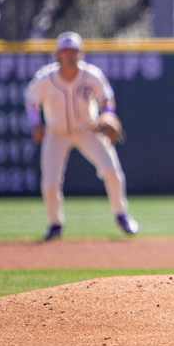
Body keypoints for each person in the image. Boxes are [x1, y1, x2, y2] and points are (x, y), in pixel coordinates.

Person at [24, 32, 139, 241]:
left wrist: (108, 115)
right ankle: (55, 224)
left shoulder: (91, 75)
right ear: (58, 55)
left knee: (112, 172)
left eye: (74, 52)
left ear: (81, 54)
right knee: (50, 183)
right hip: (56, 133)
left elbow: (107, 98)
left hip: (88, 130)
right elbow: (31, 100)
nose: (70, 56)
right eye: (66, 52)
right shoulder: (46, 78)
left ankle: (121, 214)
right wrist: (35, 123)